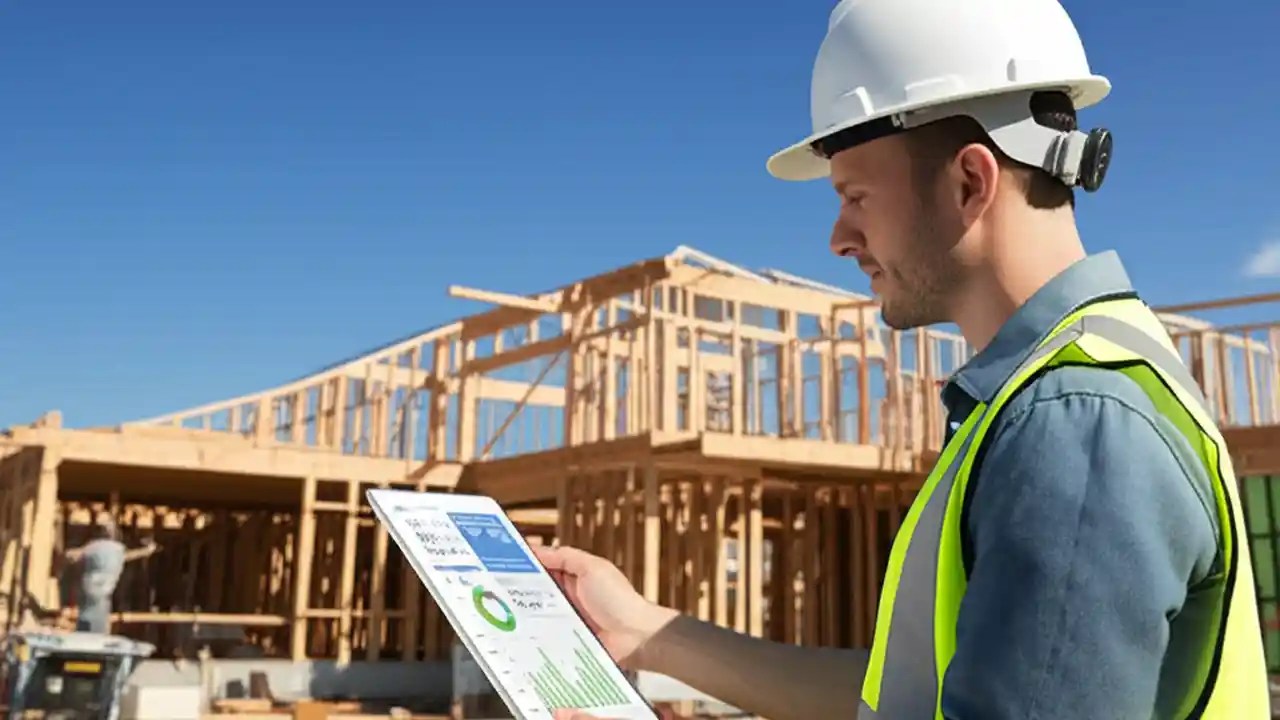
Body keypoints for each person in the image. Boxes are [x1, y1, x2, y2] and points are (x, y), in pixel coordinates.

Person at [534, 0, 1271, 718]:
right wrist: (647, 633)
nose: (838, 238)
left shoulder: (1074, 423)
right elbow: (910, 696)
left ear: (969, 183)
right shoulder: (1070, 384)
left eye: (855, 195)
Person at [64, 516, 158, 634]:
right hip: (103, 591)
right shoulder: (116, 550)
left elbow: (72, 555)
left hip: (89, 589)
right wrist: (147, 550)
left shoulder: (93, 547)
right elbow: (128, 556)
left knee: (87, 618)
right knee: (97, 621)